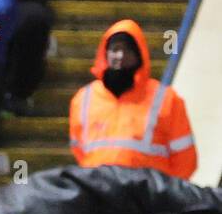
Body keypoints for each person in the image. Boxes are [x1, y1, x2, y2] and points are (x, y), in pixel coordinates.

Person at [69, 20, 197, 180]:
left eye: (127, 50)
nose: (120, 56)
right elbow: (79, 150)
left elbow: (186, 160)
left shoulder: (166, 99)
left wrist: (164, 197)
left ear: (139, 55)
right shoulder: (83, 99)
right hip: (100, 196)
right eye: (115, 49)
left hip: (146, 200)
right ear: (105, 53)